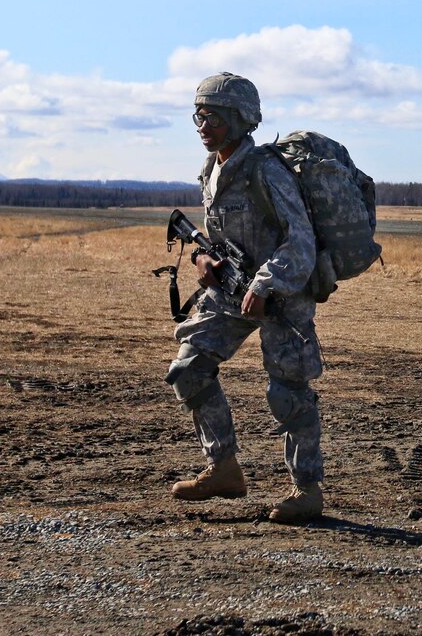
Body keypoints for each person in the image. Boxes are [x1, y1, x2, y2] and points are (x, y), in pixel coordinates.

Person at [165, 72, 326, 523]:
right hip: (229, 290)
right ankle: (224, 469)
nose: (202, 123)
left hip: (279, 294)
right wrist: (201, 263)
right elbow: (212, 240)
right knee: (189, 369)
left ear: (240, 119)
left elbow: (301, 242)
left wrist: (264, 283)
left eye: (212, 115)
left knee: (288, 392)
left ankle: (307, 490)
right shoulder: (210, 171)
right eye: (197, 114)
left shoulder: (266, 171)